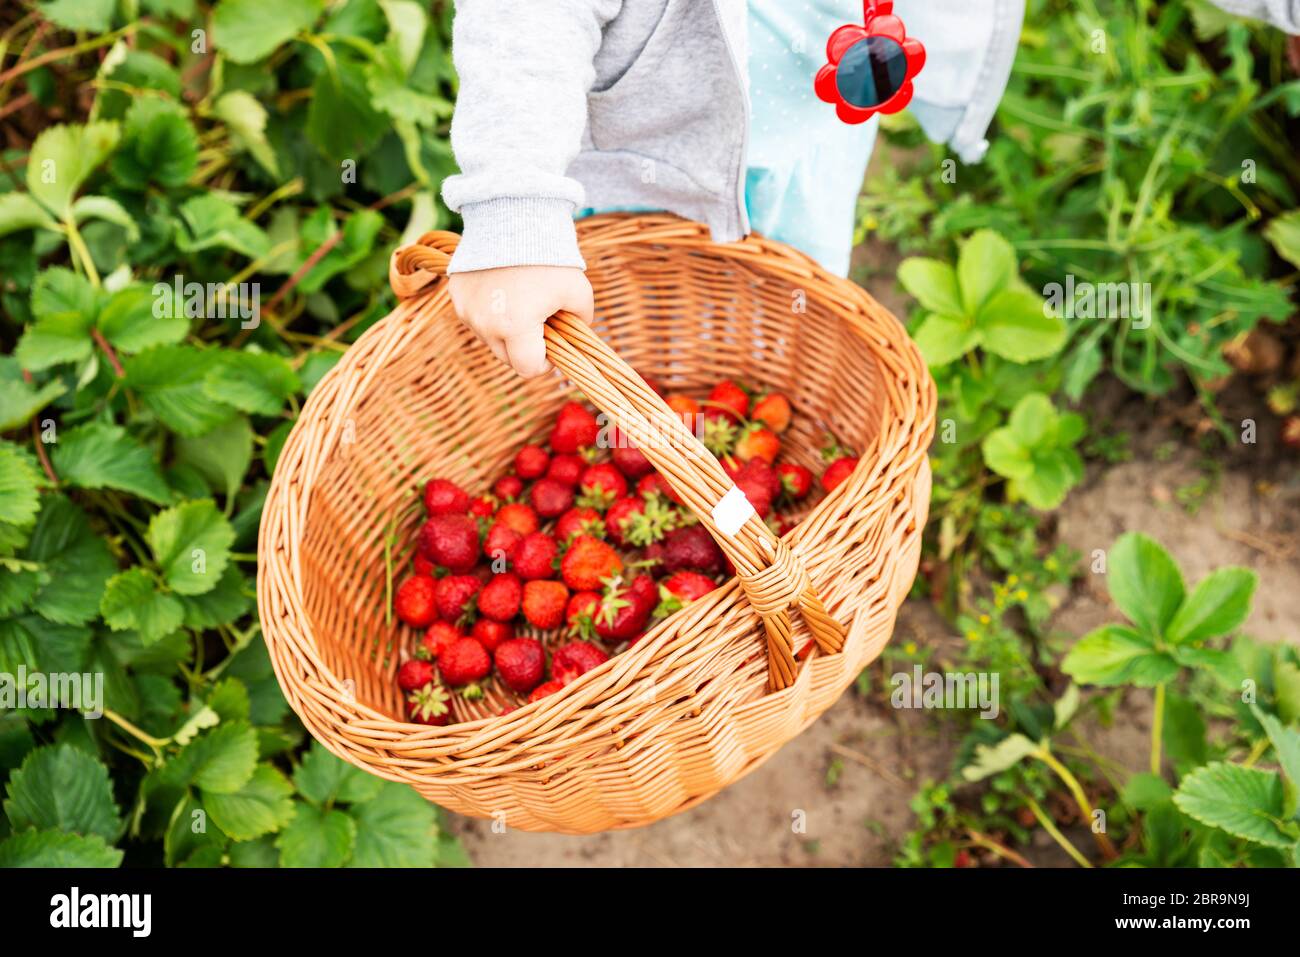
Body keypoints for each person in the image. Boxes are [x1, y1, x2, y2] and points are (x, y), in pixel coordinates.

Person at [442, 1, 1025, 378]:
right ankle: (640, 425)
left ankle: (750, 409)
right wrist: (515, 211)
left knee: (790, 320)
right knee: (630, 335)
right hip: (652, 164)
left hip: (808, 143)